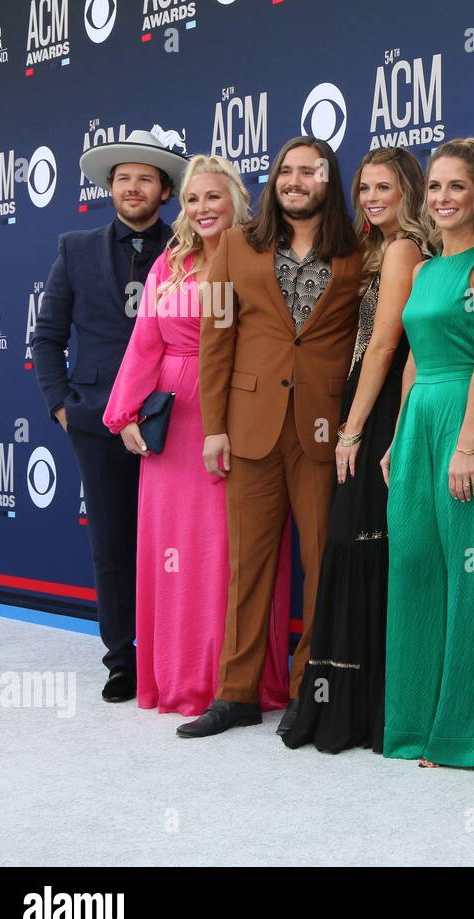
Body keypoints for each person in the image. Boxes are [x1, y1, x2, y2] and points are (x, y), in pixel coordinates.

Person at [178, 136, 364, 739]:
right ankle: (236, 694)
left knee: (320, 564)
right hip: (250, 426)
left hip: (322, 431)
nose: (296, 180)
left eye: (310, 171)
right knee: (247, 567)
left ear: (326, 181)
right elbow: (217, 340)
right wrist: (214, 429)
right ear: (274, 179)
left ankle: (312, 694)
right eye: (287, 169)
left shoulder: (355, 252)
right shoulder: (235, 246)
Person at [102, 155, 293, 716]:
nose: (203, 209)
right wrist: (125, 414)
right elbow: (145, 342)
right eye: (191, 199)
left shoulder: (262, 259)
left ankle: (234, 682)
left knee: (231, 548)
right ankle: (181, 677)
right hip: (172, 421)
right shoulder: (172, 262)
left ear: (236, 200)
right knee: (175, 550)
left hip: (237, 413)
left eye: (213, 197)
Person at [33, 130, 187, 703]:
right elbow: (47, 337)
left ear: (165, 190)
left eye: (145, 178)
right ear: (110, 187)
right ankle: (121, 658)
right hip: (97, 420)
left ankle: (174, 653)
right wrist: (60, 406)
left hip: (175, 417)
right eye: (123, 177)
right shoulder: (75, 248)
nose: (132, 187)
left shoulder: (191, 248)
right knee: (114, 545)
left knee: (176, 542)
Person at [283, 147, 428, 753]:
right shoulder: (379, 248)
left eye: (384, 188)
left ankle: (358, 711)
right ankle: (347, 706)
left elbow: (385, 345)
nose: (370, 198)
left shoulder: (401, 249)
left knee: (357, 546)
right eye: (364, 187)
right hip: (363, 402)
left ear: (408, 192)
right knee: (356, 548)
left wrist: (353, 429)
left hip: (377, 405)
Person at [379, 138, 474, 768]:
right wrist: (397, 434)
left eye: (456, 186)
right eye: (434, 188)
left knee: (471, 573)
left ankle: (462, 735)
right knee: (413, 567)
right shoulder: (424, 267)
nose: (443, 198)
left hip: (468, 420)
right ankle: (409, 725)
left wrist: (466, 445)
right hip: (420, 420)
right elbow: (410, 357)